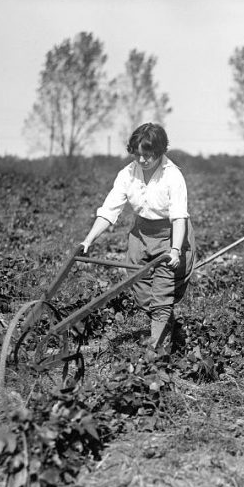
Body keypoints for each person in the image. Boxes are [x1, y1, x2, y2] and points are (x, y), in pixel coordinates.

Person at [81, 123, 195, 351]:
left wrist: (175, 250)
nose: (142, 160)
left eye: (148, 155)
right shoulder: (127, 174)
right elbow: (109, 210)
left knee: (162, 295)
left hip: (171, 235)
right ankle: (168, 328)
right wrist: (88, 239)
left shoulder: (173, 176)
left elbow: (179, 218)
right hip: (141, 234)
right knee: (142, 291)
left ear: (160, 151)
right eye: (138, 154)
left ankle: (157, 356)